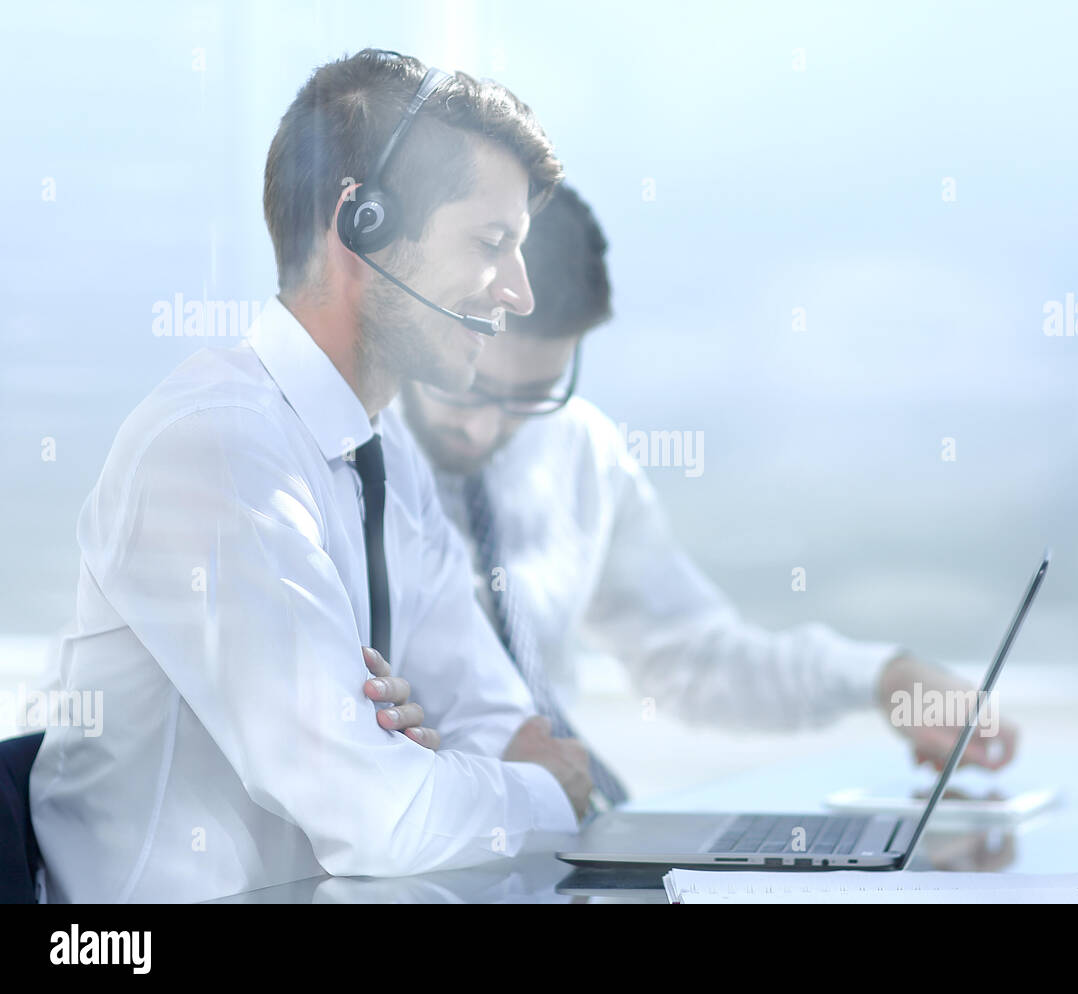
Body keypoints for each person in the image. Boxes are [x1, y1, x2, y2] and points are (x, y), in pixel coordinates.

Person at [30, 49, 592, 904]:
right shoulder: (217, 447)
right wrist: (542, 793)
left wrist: (434, 772)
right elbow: (380, 820)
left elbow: (496, 720)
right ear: (361, 225)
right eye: (492, 244)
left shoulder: (385, 455)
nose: (518, 292)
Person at [399, 183, 1020, 803]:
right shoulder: (346, 452)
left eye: (530, 396)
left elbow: (692, 657)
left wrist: (886, 678)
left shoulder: (578, 448)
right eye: (468, 388)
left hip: (551, 854)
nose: (485, 428)